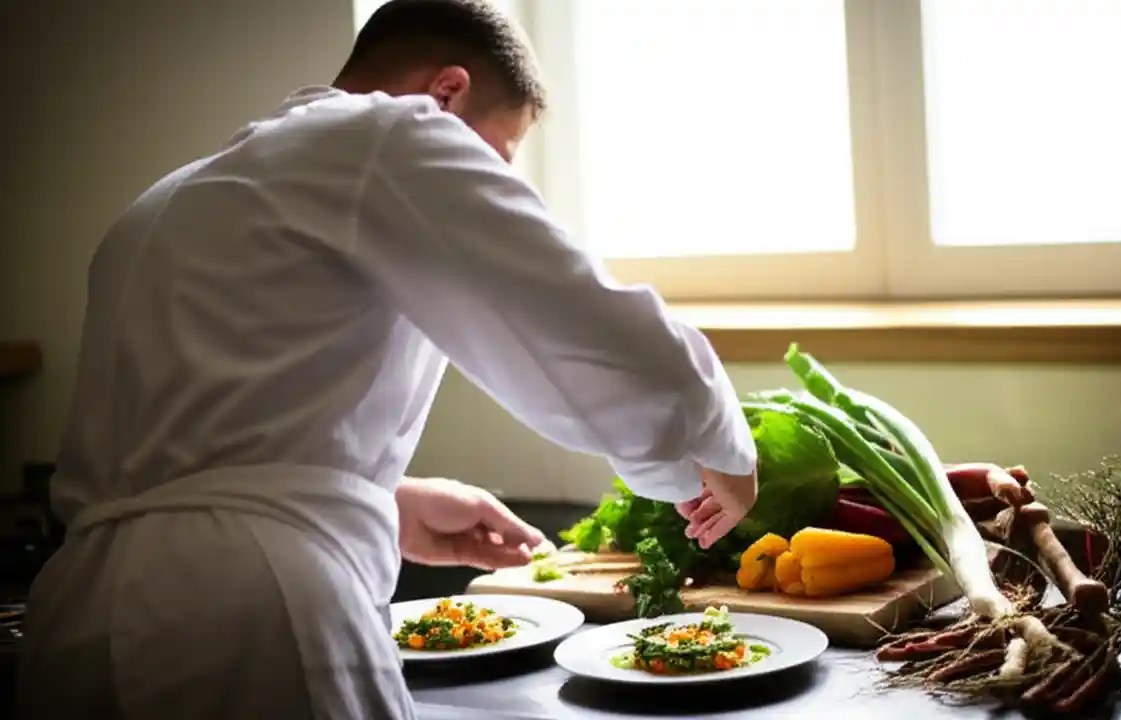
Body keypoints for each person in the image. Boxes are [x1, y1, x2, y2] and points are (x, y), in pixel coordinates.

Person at [15, 1, 758, 717]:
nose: (493, 179)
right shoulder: (385, 133)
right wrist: (713, 443)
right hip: (250, 623)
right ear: (447, 92)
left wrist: (388, 500)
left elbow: (184, 464)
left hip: (76, 621)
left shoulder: (170, 202)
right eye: (496, 156)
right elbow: (585, 321)